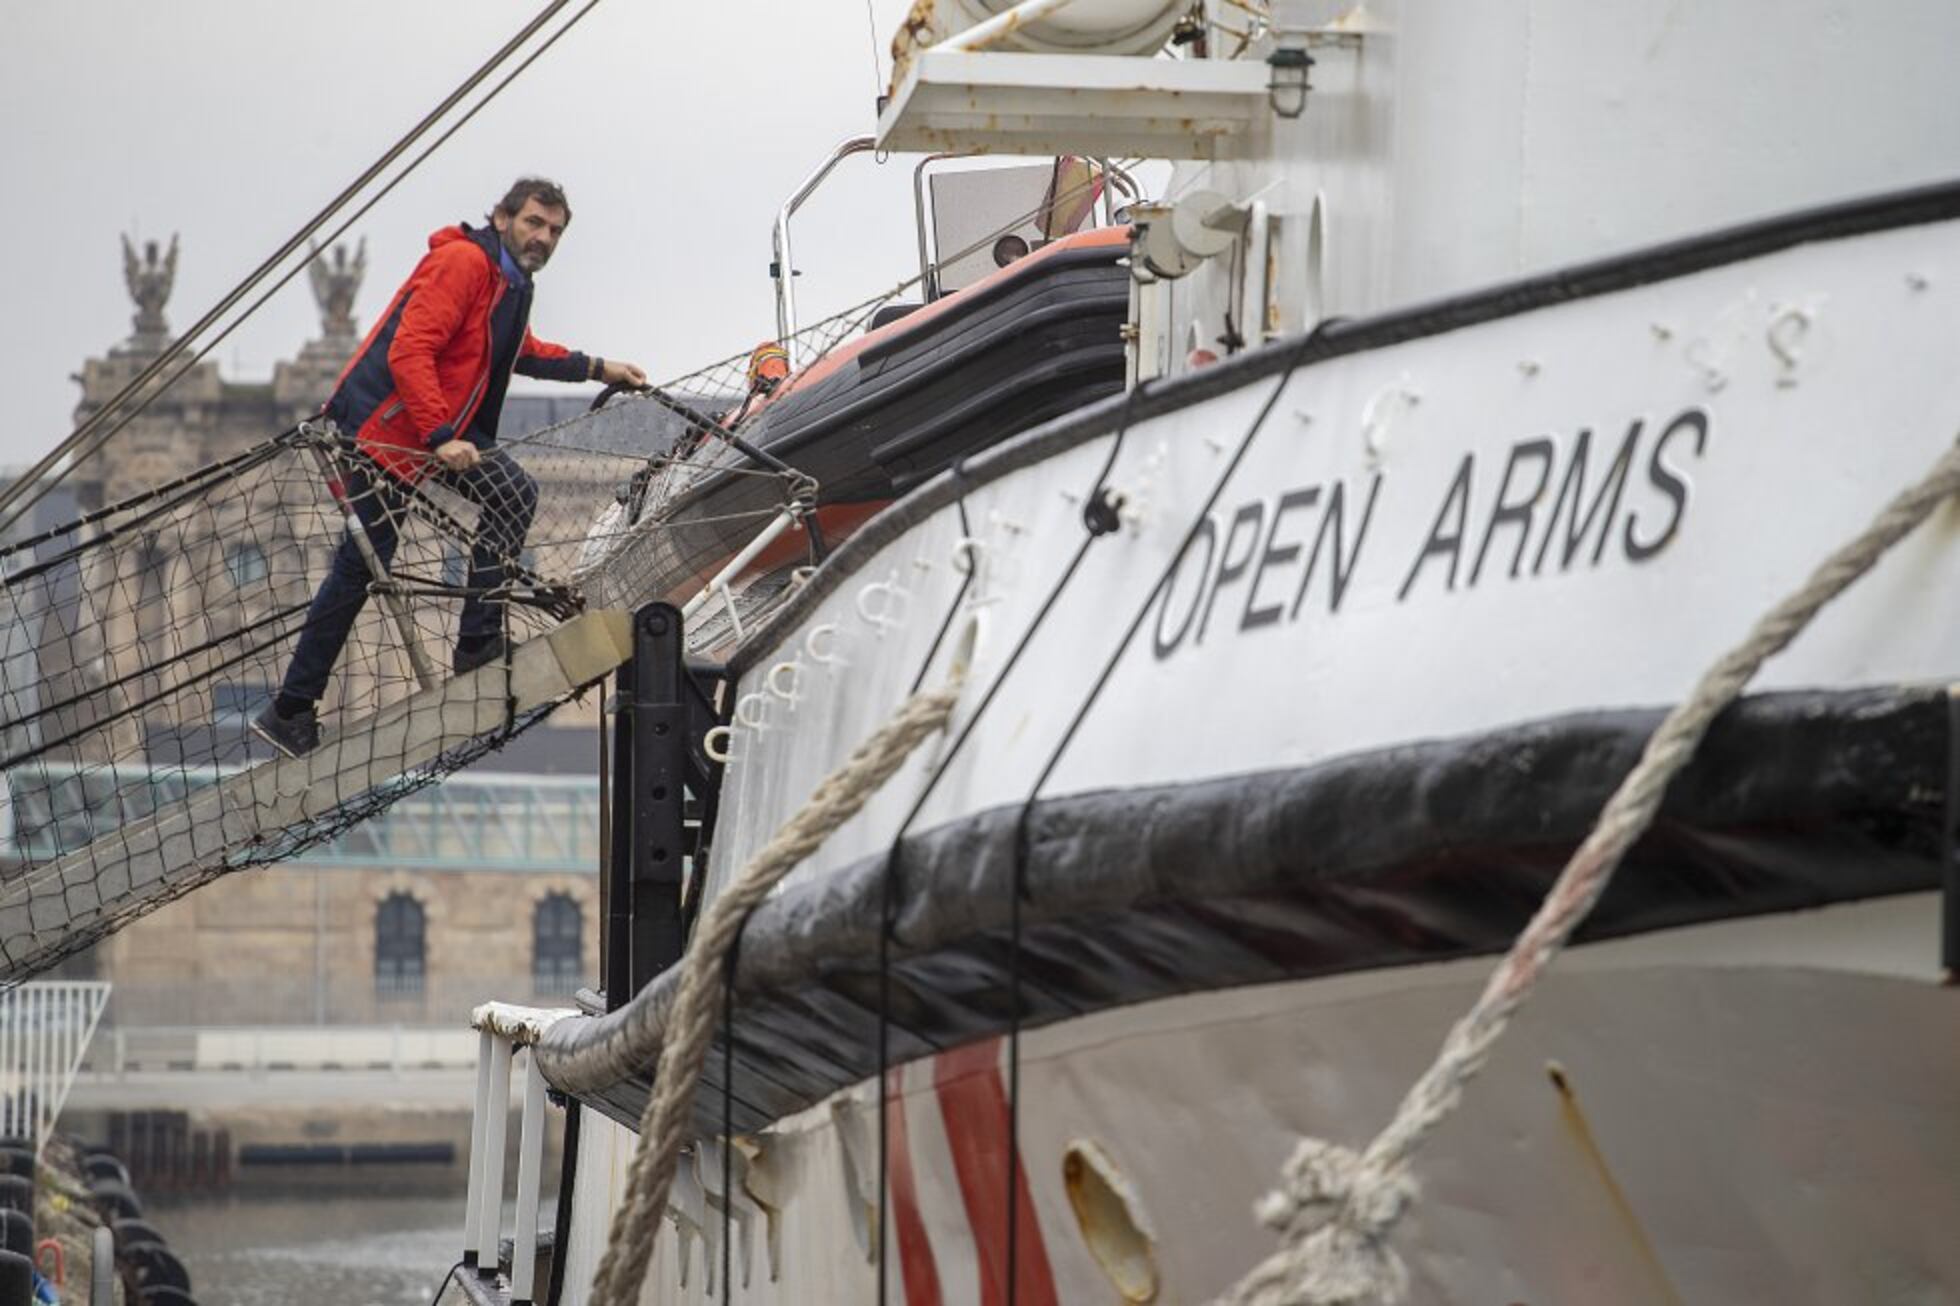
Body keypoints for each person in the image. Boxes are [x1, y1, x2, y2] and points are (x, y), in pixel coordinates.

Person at [253, 177, 647, 759]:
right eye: (534, 223)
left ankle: (475, 645)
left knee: (509, 493)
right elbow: (409, 349)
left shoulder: (510, 282)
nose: (543, 237)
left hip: (431, 433)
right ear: (503, 217)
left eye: (555, 230)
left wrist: (598, 367)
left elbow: (521, 351)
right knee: (360, 569)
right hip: (387, 433)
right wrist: (440, 435)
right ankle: (291, 708)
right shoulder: (465, 263)